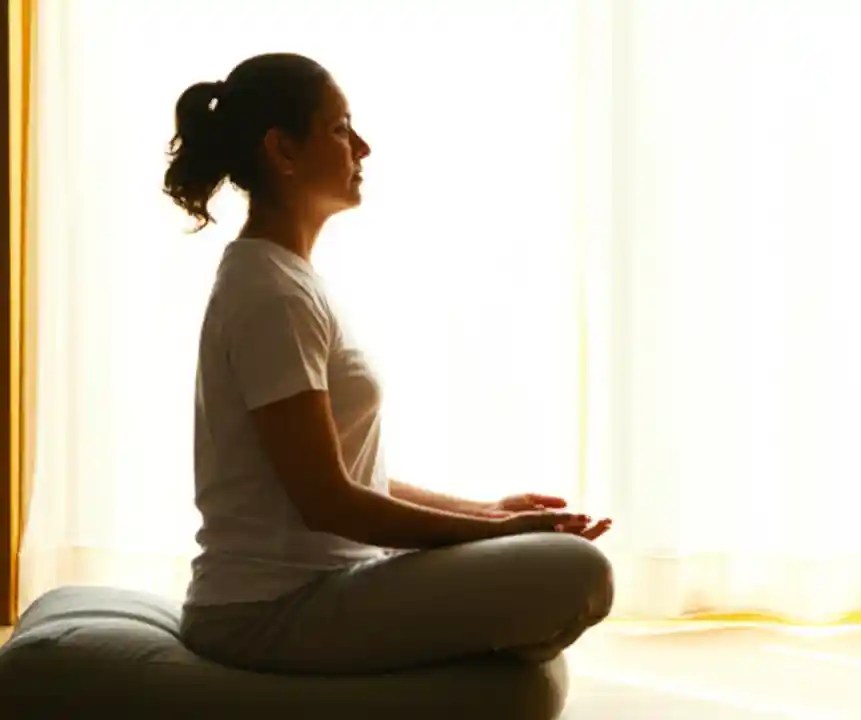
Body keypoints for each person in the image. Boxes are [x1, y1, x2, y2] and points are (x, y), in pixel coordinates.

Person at [163, 52, 614, 675]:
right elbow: (328, 503)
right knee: (579, 572)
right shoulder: (268, 292)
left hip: (321, 591)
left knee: (553, 569)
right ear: (283, 151)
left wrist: (491, 512)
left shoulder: (286, 280)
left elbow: (347, 478)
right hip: (267, 613)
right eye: (342, 129)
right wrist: (494, 537)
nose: (363, 148)